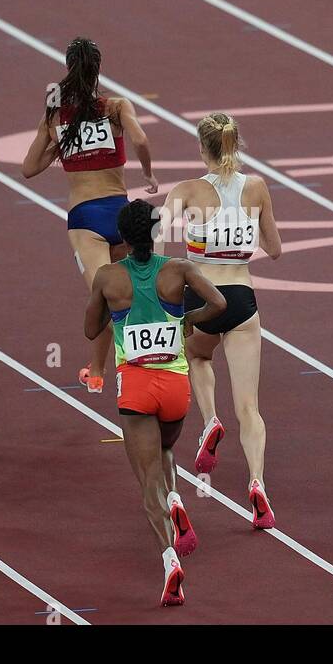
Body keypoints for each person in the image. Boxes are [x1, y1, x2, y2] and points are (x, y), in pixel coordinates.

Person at [84, 199, 225, 606]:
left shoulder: (108, 276)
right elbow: (218, 303)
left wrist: (111, 308)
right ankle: (177, 497)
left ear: (123, 238)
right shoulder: (179, 269)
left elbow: (91, 329)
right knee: (165, 447)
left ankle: (169, 561)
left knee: (148, 481)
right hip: (175, 388)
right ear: (156, 232)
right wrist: (184, 321)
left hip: (136, 386)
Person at [157, 114, 282, 529]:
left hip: (203, 297)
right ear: (235, 145)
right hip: (243, 300)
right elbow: (275, 248)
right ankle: (258, 484)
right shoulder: (257, 187)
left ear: (202, 149)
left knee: (196, 356)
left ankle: (210, 419)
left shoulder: (190, 190)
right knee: (252, 408)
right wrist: (247, 232)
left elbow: (156, 237)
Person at [23, 37, 156, 395]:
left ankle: (114, 369)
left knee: (104, 294)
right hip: (120, 210)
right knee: (121, 294)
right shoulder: (115, 107)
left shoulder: (55, 115)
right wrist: (148, 174)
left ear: (68, 68)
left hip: (85, 218)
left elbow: (28, 168)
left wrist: (61, 142)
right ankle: (99, 370)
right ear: (98, 69)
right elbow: (141, 139)